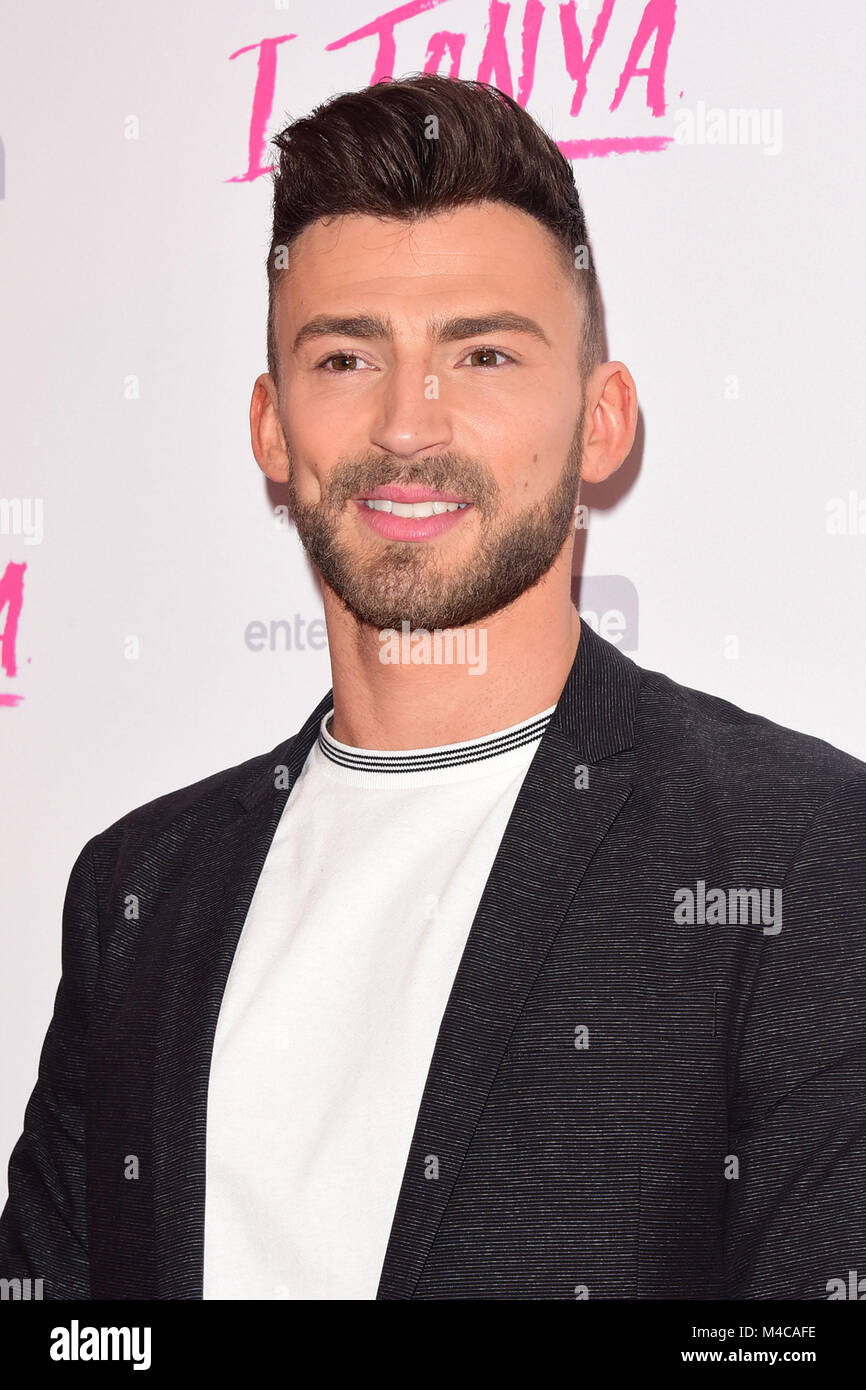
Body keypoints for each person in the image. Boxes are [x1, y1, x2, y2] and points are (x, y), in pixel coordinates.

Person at [2, 73, 864, 1302]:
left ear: (601, 421)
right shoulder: (139, 888)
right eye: (347, 354)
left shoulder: (800, 852)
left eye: (485, 353)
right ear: (269, 426)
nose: (409, 423)